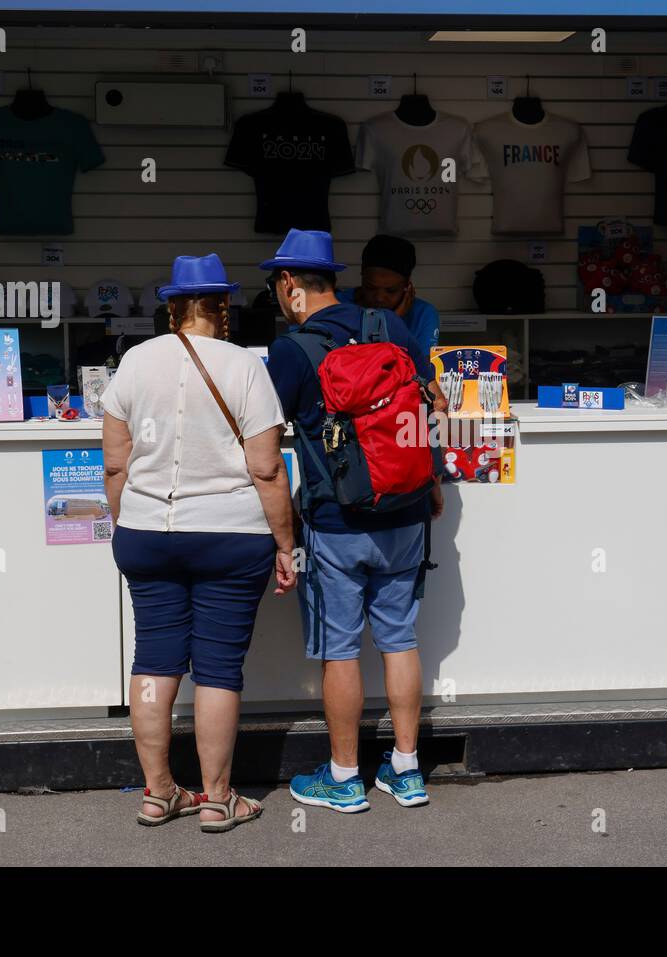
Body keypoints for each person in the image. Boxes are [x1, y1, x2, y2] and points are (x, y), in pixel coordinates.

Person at [101, 253, 297, 833]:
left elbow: (115, 463)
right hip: (230, 537)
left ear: (171, 308)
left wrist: (127, 521)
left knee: (154, 660)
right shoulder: (245, 367)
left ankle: (159, 794)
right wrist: (286, 545)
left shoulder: (134, 362)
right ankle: (217, 799)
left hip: (146, 532)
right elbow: (266, 469)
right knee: (217, 668)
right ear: (223, 308)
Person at [263, 228, 445, 812]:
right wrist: (430, 478)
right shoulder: (388, 325)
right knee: (400, 639)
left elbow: (263, 442)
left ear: (290, 284)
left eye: (276, 285)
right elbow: (433, 403)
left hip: (336, 522)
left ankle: (345, 778)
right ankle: (407, 770)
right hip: (406, 512)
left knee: (340, 650)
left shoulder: (291, 350)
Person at [337, 234, 440, 358]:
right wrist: (391, 321)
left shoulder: (422, 314)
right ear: (362, 277)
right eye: (371, 288)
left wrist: (392, 323)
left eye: (391, 290)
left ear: (407, 286)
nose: (379, 297)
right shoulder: (339, 305)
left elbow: (422, 370)